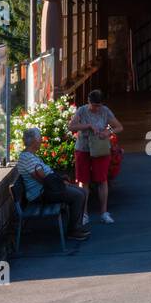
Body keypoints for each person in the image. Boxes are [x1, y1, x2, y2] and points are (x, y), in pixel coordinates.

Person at [16, 127, 89, 241]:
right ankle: (73, 231)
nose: (41, 140)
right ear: (34, 141)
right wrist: (61, 182)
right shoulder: (27, 158)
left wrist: (60, 180)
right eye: (39, 138)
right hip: (41, 194)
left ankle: (76, 227)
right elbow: (43, 180)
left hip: (46, 190)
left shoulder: (30, 155)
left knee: (81, 192)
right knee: (78, 195)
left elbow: (45, 177)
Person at [69, 89, 123, 224]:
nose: (96, 108)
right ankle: (84, 213)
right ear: (89, 102)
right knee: (83, 180)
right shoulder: (82, 111)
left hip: (100, 148)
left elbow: (119, 127)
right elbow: (71, 127)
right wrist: (87, 125)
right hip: (83, 148)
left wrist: (107, 132)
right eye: (94, 105)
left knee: (102, 180)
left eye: (98, 106)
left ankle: (104, 212)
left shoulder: (105, 111)